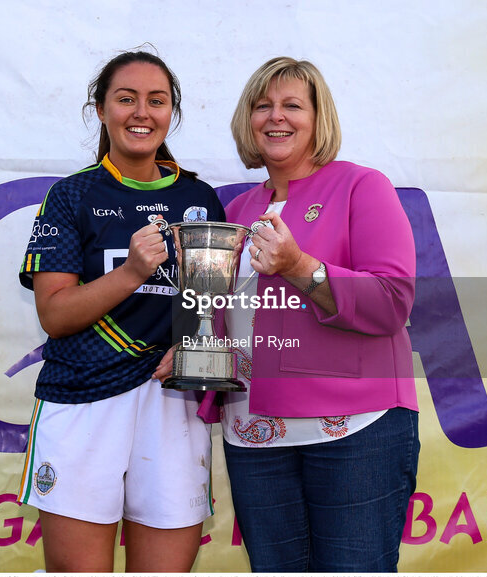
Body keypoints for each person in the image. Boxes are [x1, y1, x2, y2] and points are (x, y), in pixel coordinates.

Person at [156, 56, 419, 572]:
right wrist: (191, 350)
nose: (276, 117)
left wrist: (300, 266)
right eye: (263, 106)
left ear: (318, 119)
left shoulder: (362, 186)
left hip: (354, 433)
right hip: (254, 437)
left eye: (292, 105)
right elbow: (224, 318)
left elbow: (392, 301)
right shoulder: (236, 212)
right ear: (247, 121)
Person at [17, 49, 224, 573]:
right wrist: (131, 271)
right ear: (100, 109)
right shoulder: (70, 196)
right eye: (125, 98)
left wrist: (194, 345)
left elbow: (209, 311)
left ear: (171, 113)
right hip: (83, 396)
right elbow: (55, 316)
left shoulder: (201, 199)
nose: (141, 113)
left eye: (157, 101)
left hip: (171, 398)